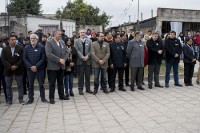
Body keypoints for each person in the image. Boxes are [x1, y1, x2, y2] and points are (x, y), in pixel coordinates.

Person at [45, 30, 69, 104]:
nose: (60, 36)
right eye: (59, 34)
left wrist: (63, 60)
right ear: (55, 35)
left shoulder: (62, 42)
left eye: (61, 35)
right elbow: (49, 54)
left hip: (61, 66)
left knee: (60, 82)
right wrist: (59, 60)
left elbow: (66, 52)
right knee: (52, 83)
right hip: (52, 67)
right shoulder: (49, 42)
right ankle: (51, 98)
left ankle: (61, 96)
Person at [23, 34, 48, 105]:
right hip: (30, 70)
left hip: (39, 69)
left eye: (34, 38)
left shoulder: (41, 47)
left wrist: (36, 66)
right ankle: (30, 99)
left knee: (41, 84)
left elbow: (43, 58)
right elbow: (24, 58)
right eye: (31, 38)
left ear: (37, 39)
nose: (32, 40)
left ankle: (43, 98)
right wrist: (31, 66)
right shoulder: (26, 48)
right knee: (30, 85)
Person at [1, 35, 25, 105]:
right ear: (8, 40)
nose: (14, 41)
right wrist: (10, 66)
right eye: (12, 39)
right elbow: (3, 59)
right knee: (8, 86)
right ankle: (9, 100)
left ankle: (21, 99)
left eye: (15, 39)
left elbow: (22, 59)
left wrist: (16, 65)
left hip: (18, 69)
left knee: (20, 85)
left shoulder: (20, 48)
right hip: (8, 70)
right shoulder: (5, 49)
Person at [74, 29, 93, 95]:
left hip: (88, 61)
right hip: (80, 61)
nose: (82, 33)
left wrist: (87, 56)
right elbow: (76, 50)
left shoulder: (90, 41)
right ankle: (80, 89)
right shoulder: (76, 41)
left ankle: (88, 89)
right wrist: (82, 57)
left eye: (84, 32)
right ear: (79, 33)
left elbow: (91, 50)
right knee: (80, 76)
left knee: (88, 76)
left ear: (86, 33)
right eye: (81, 32)